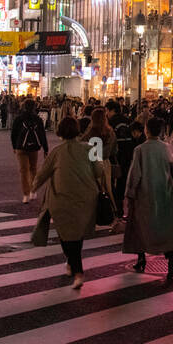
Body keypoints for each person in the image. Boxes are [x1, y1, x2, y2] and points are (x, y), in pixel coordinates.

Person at [36, 115, 114, 290]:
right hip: (85, 197)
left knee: (66, 234)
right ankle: (74, 266)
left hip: (61, 198)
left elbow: (43, 173)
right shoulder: (89, 148)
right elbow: (99, 170)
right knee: (76, 235)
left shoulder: (57, 151)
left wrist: (32, 189)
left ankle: (77, 271)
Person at [124, 117, 173, 283]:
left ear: (146, 130)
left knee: (140, 226)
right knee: (167, 229)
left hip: (145, 194)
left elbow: (135, 175)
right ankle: (171, 263)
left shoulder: (140, 149)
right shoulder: (165, 148)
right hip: (165, 193)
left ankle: (141, 258)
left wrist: (130, 193)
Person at [11, 97, 50, 204]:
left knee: (23, 170)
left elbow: (13, 134)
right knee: (33, 169)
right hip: (34, 147)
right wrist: (45, 148)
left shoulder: (19, 119)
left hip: (21, 147)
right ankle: (33, 190)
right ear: (34, 107)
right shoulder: (37, 119)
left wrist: (14, 146)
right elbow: (42, 134)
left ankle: (26, 194)